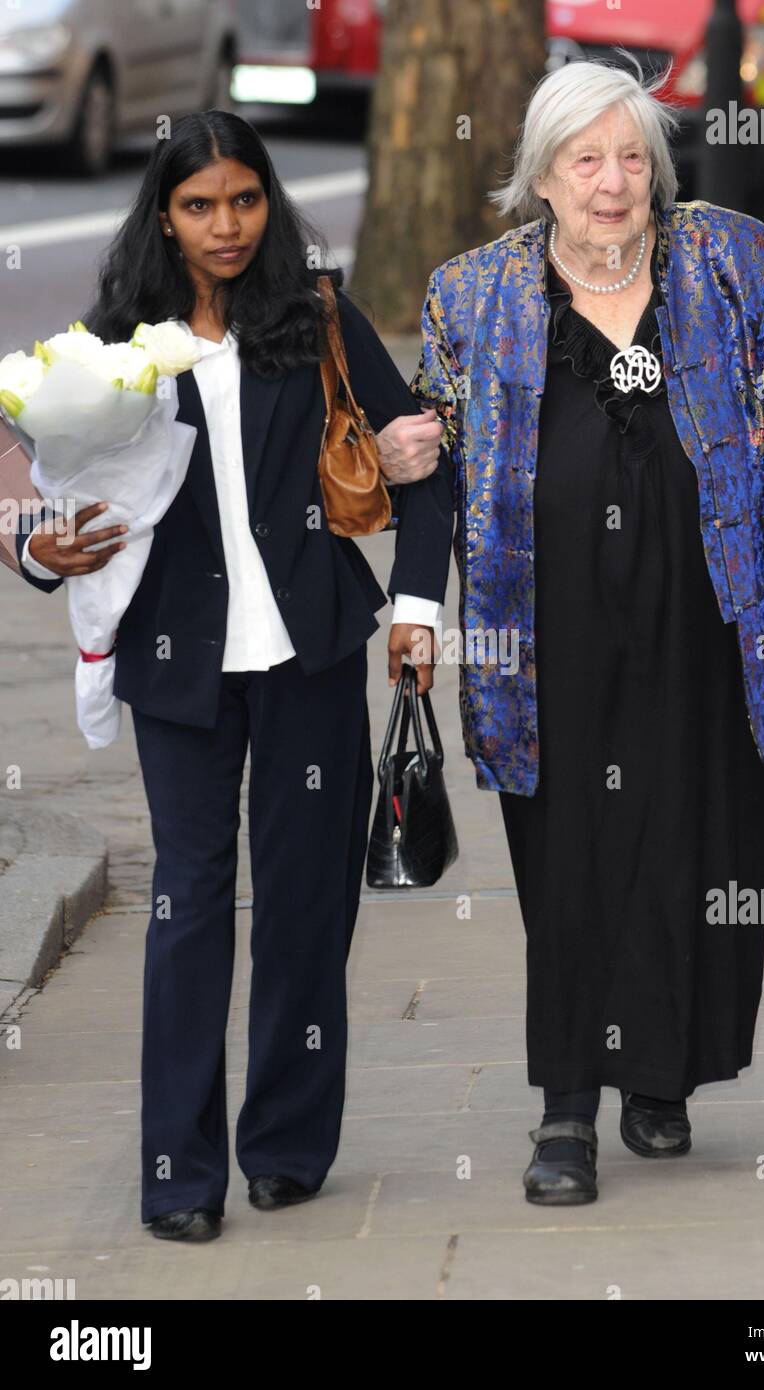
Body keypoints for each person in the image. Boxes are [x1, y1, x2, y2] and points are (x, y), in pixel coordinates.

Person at [409, 53, 764, 1204]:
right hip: (540, 624)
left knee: (692, 836)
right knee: (568, 856)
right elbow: (435, 455)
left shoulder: (731, 260)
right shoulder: (471, 297)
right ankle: (566, 1108)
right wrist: (408, 466)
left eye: (629, 155)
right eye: (582, 159)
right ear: (539, 179)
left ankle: (660, 1073)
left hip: (705, 607)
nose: (612, 182)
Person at [17, 109, 453, 1240]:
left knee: (307, 907)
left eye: (246, 200)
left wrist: (414, 607)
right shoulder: (110, 337)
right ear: (163, 213)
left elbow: (420, 461)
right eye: (201, 205)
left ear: (271, 203)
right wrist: (32, 547)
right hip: (179, 672)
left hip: (312, 654)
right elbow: (36, 470)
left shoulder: (312, 316)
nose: (227, 226)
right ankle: (178, 1171)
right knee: (188, 907)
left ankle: (288, 1145)